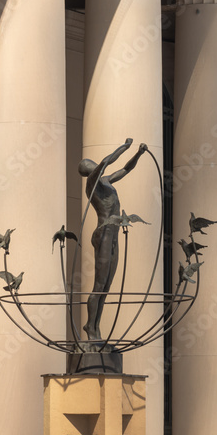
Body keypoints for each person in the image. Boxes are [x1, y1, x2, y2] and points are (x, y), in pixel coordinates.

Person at [78, 138, 146, 341]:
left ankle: (95, 327)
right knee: (99, 284)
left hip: (114, 233)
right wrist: (125, 147)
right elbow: (106, 161)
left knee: (107, 285)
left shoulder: (106, 181)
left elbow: (126, 169)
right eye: (90, 165)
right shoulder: (92, 184)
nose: (94, 165)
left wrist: (138, 154)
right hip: (104, 232)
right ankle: (90, 328)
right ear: (88, 171)